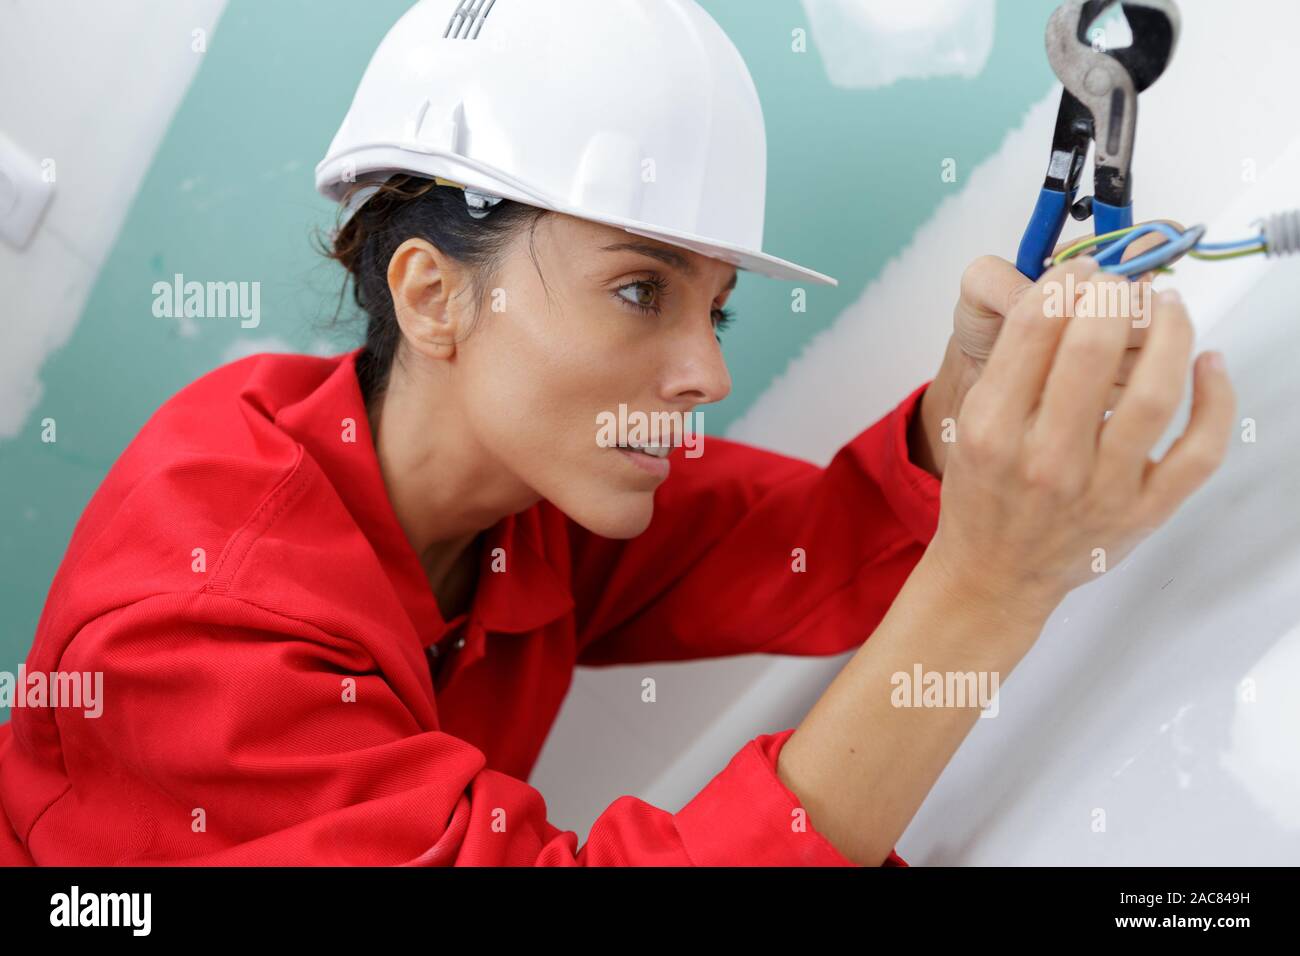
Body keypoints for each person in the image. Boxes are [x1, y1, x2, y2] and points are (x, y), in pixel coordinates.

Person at [0, 0, 1234, 866]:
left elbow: (810, 549)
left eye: (715, 307)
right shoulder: (194, 637)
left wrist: (962, 418)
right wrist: (994, 583)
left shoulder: (515, 490)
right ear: (434, 295)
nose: (704, 370)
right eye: (641, 291)